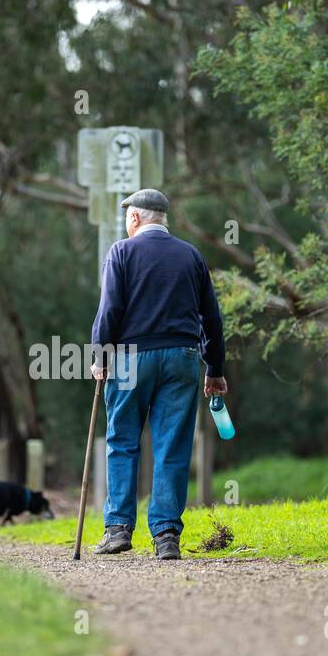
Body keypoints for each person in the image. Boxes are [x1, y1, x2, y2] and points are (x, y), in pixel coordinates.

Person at [90, 189, 228, 560]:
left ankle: (118, 529)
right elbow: (212, 319)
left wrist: (100, 354)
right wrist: (214, 368)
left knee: (122, 440)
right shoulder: (191, 256)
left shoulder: (121, 252)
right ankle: (166, 535)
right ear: (162, 219)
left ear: (135, 219)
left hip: (130, 359)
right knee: (172, 445)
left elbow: (110, 310)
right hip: (181, 358)